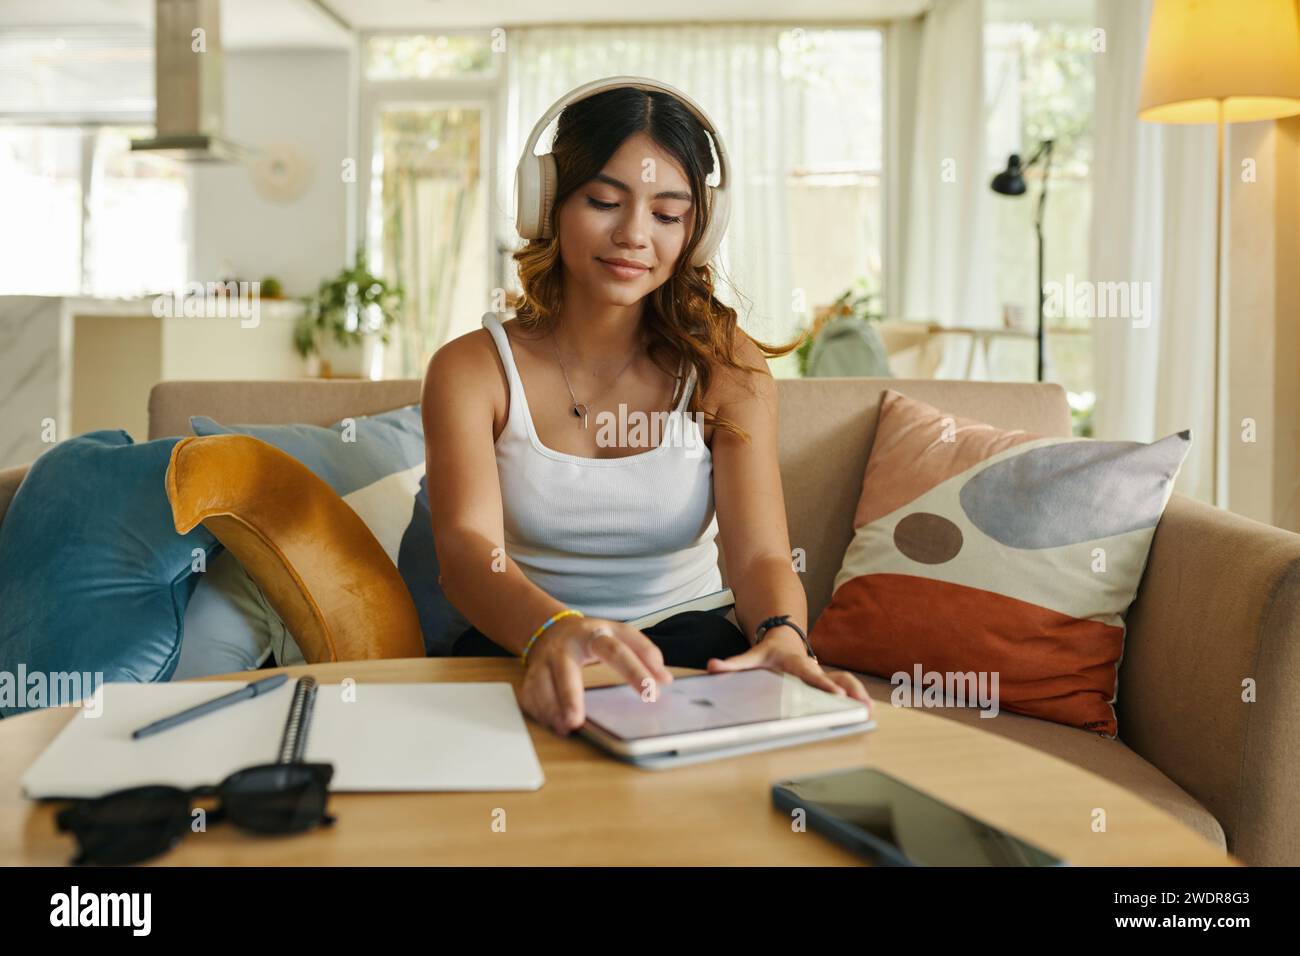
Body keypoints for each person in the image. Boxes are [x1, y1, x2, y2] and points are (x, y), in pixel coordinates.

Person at [421, 77, 870, 736]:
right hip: (525, 638)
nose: (634, 235)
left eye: (667, 214)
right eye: (604, 200)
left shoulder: (727, 366)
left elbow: (760, 558)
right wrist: (554, 628)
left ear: (700, 228)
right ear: (544, 203)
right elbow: (467, 553)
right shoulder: (471, 369)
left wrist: (782, 633)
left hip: (686, 653)